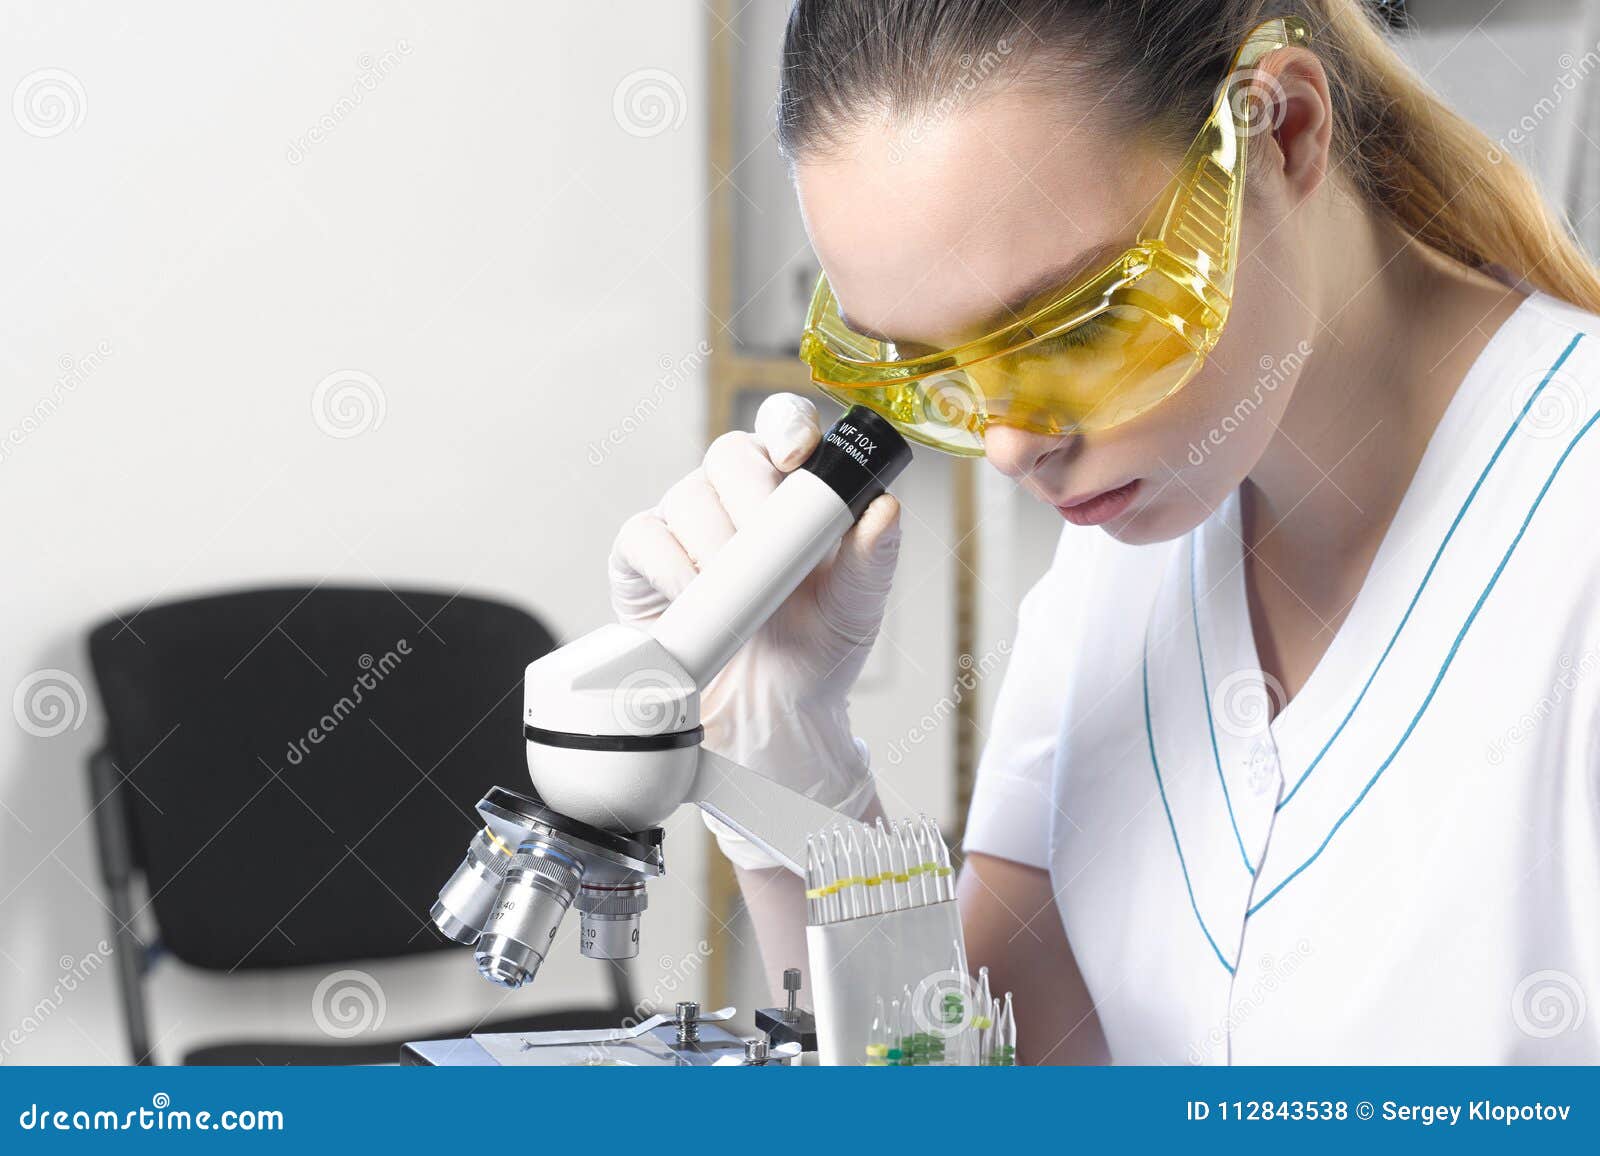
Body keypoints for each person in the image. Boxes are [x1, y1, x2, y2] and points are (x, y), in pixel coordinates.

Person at [610, 0, 1600, 1063]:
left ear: (1288, 135)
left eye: (1077, 325)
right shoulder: (1123, 548)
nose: (1008, 444)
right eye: (931, 368)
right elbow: (992, 1089)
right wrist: (791, 788)